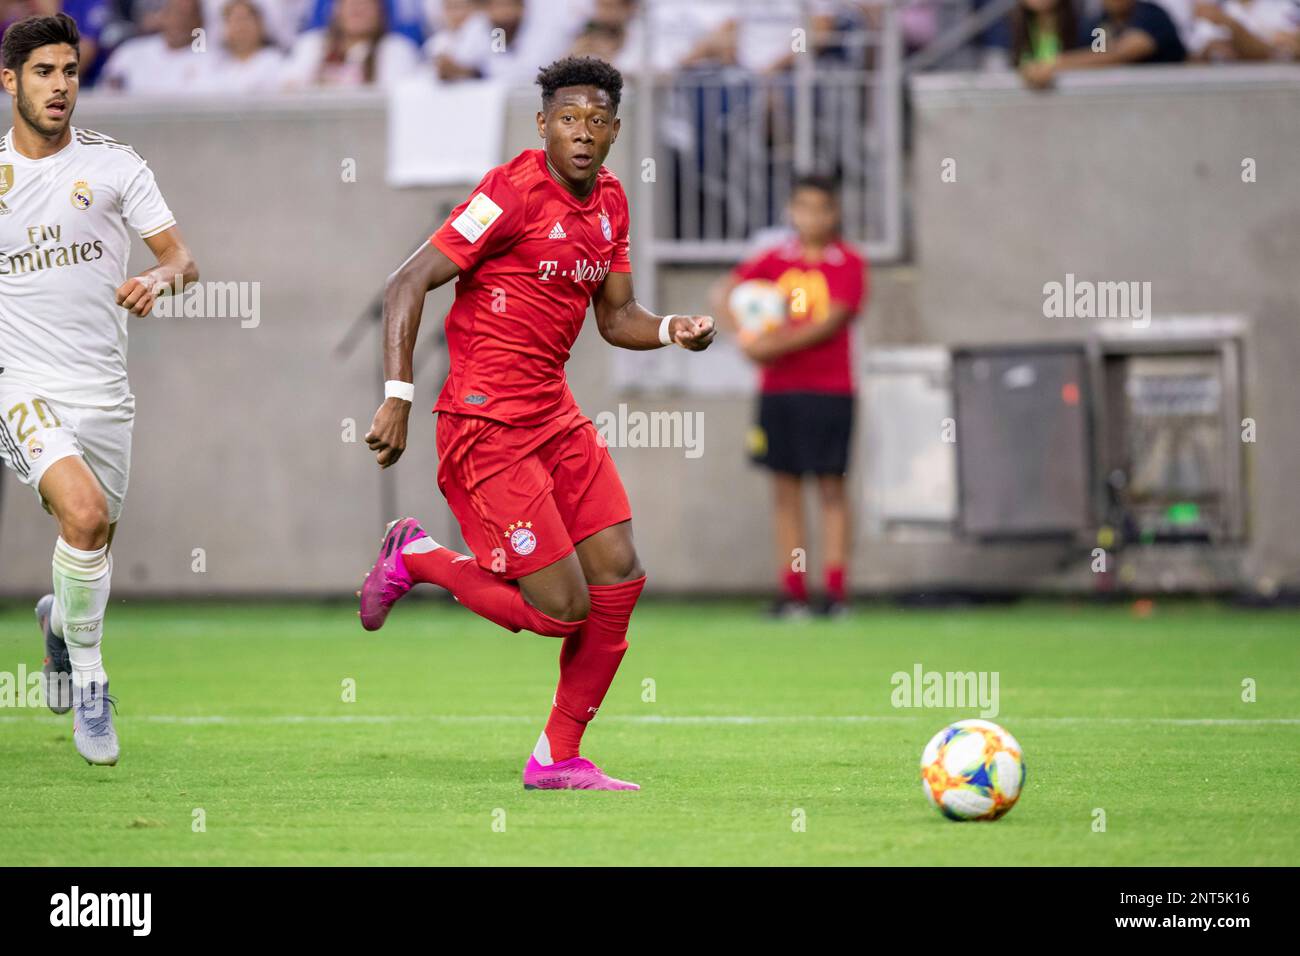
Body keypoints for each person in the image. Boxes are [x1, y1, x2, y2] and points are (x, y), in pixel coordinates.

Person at [357, 56, 716, 791]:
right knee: (561, 612)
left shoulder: (613, 201)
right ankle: (417, 556)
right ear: (543, 125)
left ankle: (557, 757)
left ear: (615, 130)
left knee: (620, 572)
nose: (581, 135)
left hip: (553, 416)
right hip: (484, 428)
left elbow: (616, 318)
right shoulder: (510, 191)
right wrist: (396, 394)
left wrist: (674, 327)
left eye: (596, 122)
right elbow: (407, 280)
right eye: (567, 120)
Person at [0, 13, 198, 764]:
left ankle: (57, 627)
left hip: (104, 393)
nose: (60, 87)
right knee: (81, 515)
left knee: (91, 537)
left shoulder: (116, 166)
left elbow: (184, 261)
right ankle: (91, 684)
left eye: (71, 72)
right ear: (10, 79)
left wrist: (157, 278)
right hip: (22, 386)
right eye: (44, 72)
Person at [712, 175, 867, 619]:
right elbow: (725, 292)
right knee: (784, 489)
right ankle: (793, 591)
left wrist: (767, 346)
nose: (811, 217)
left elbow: (831, 321)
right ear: (790, 211)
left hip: (831, 392)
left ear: (834, 213)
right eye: (802, 207)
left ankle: (836, 593)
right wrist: (744, 332)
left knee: (831, 487)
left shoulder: (847, 262)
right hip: (779, 392)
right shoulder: (773, 259)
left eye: (820, 208)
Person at [1022, 0, 1186, 87]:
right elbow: (1097, 55)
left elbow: (1122, 52)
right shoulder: (1100, 24)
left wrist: (1055, 65)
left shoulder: (1150, 14)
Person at [280, 0, 419, 89]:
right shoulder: (312, 44)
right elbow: (289, 88)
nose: (357, 8)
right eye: (350, 3)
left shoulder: (396, 49)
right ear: (336, 11)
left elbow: (395, 96)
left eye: (366, 4)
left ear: (381, 13)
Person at [100, 0, 216, 92]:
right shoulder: (130, 52)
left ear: (200, 22)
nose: (180, 21)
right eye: (176, 13)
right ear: (163, 16)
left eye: (189, 16)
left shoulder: (210, 59)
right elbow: (106, 92)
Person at [200, 0, 285, 93]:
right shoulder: (215, 66)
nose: (240, 27)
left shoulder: (276, 63)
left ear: (260, 25)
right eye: (233, 21)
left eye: (245, 19)